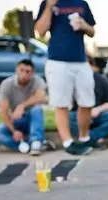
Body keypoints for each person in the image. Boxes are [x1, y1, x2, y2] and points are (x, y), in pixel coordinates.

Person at [35, 0, 96, 156]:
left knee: (87, 100)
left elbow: (92, 31)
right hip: (57, 61)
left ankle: (84, 138)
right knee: (61, 103)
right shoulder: (48, 3)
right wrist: (49, 7)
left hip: (81, 59)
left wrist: (84, 25)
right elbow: (40, 31)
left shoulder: (82, 3)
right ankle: (68, 142)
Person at [70, 56, 108, 148]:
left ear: (92, 65)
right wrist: (84, 114)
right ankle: (95, 139)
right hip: (78, 114)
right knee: (67, 119)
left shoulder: (102, 80)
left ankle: (88, 139)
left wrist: (97, 110)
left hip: (98, 114)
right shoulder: (72, 81)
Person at [0, 59, 46, 156]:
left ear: (32, 73)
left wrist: (22, 106)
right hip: (15, 120)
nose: (24, 74)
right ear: (16, 70)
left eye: (27, 71)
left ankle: (36, 142)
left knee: (37, 109)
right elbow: (3, 110)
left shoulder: (38, 80)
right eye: (21, 70)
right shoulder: (7, 84)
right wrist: (13, 131)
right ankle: (27, 146)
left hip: (32, 119)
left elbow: (40, 97)